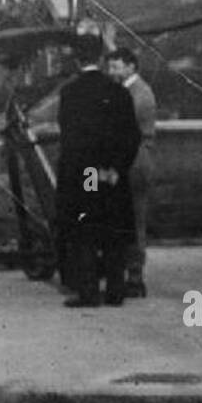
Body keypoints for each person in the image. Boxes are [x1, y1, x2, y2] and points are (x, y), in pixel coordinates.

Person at [55, 32, 141, 307]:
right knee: (113, 230)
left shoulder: (70, 93)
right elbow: (132, 135)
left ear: (77, 59)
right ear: (102, 58)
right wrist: (116, 168)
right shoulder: (119, 91)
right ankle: (116, 291)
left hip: (84, 174)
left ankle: (89, 292)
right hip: (112, 174)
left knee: (85, 231)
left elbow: (70, 137)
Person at [106, 47, 157, 298]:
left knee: (134, 220)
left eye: (116, 67)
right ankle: (129, 274)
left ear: (130, 67)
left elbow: (120, 125)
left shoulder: (139, 94)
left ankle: (135, 276)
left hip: (134, 160)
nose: (111, 72)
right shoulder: (133, 91)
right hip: (131, 158)